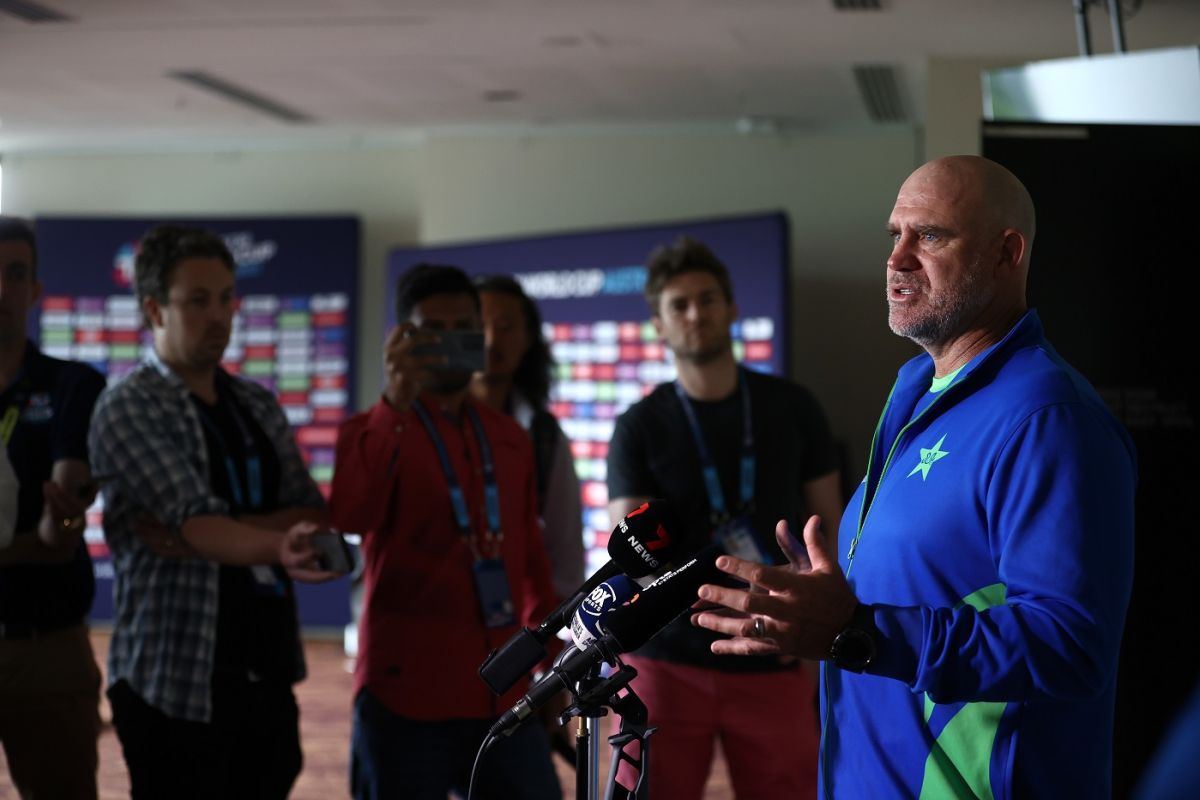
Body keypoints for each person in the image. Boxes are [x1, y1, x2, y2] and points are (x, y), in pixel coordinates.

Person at [694, 156, 1137, 799]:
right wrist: (818, 602)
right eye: (894, 235)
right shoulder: (913, 389)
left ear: (1006, 253)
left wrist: (860, 630)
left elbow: (1069, 646)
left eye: (929, 236)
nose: (897, 259)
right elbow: (932, 584)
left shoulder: (1049, 419)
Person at [88, 224, 338, 799]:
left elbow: (310, 514)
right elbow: (196, 519)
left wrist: (216, 534)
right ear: (154, 309)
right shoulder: (127, 407)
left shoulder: (255, 402)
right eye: (198, 301)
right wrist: (275, 541)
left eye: (226, 297)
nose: (219, 315)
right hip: (173, 682)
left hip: (267, 672)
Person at [606, 236, 843, 800]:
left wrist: (809, 628)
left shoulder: (794, 407)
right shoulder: (639, 426)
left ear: (733, 308)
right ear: (659, 326)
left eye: (708, 299)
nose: (697, 313)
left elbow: (830, 533)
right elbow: (631, 559)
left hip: (772, 651)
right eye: (679, 305)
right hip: (665, 665)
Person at [330, 263, 561, 800]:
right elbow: (349, 518)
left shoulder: (509, 438)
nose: (452, 341)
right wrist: (394, 401)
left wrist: (550, 665)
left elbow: (529, 563)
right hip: (404, 697)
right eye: (432, 330)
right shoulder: (370, 432)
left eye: (464, 327)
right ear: (402, 339)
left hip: (504, 694)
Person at [0, 215, 106, 799]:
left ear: (35, 290)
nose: (1, 290)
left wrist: (63, 518)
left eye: (15, 275)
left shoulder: (71, 386)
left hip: (44, 648)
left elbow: (57, 537)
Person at [471, 273, 584, 601]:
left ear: (528, 339)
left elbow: (565, 549)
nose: (491, 339)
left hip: (518, 622)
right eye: (478, 325)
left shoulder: (544, 436)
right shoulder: (425, 425)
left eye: (506, 326)